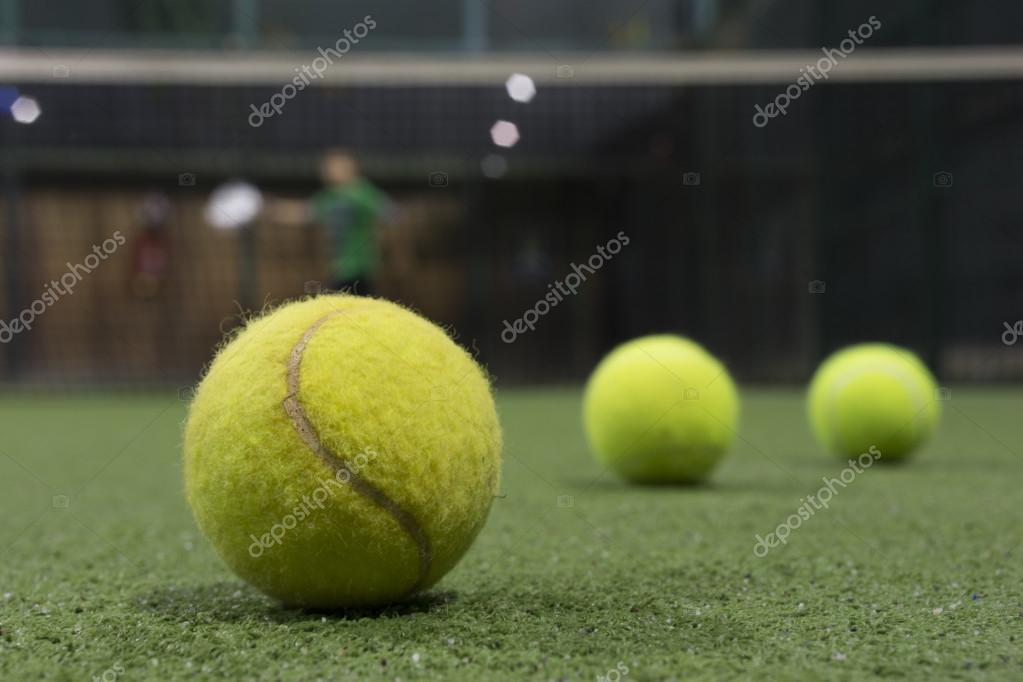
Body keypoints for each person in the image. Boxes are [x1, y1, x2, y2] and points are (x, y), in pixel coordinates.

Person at [272, 149, 392, 295]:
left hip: (361, 267)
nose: (328, 171)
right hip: (339, 268)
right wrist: (267, 207)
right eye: (327, 167)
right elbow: (303, 212)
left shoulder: (363, 193)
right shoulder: (330, 197)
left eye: (334, 166)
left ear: (350, 168)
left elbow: (388, 212)